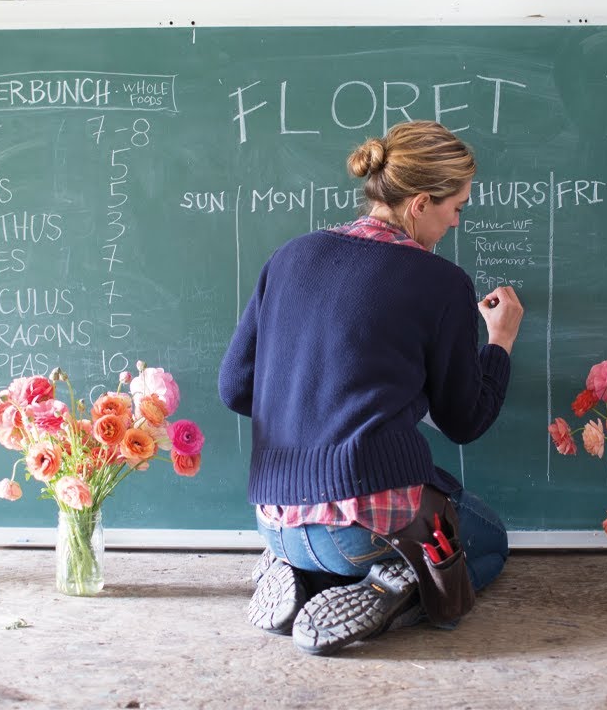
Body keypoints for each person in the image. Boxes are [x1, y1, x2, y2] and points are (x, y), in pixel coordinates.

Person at [218, 120, 524, 655]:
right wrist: (499, 341)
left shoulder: (289, 257)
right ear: (421, 202)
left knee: (364, 526)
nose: (456, 222)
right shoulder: (441, 282)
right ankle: (394, 588)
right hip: (362, 530)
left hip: (273, 516)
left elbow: (234, 389)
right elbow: (465, 421)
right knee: (488, 541)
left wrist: (311, 395)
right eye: (456, 207)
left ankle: (298, 571)